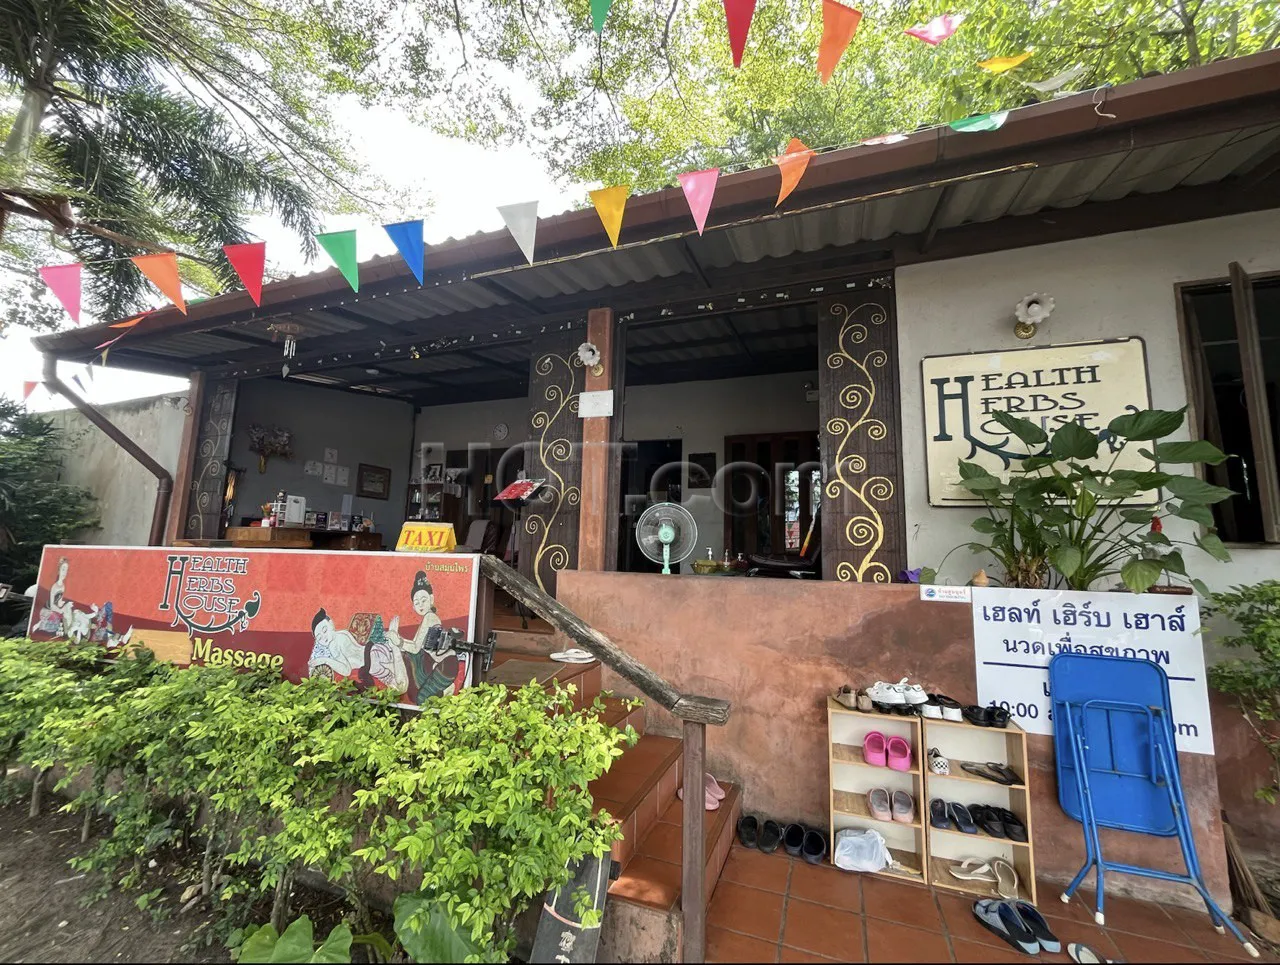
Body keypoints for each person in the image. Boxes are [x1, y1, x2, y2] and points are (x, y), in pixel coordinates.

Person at [385, 571, 461, 701]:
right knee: (413, 694)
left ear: (431, 599)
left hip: (445, 665)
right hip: (436, 663)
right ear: (413, 606)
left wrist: (397, 641)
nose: (420, 605)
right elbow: (416, 648)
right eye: (416, 602)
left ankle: (447, 689)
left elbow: (415, 648)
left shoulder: (430, 618)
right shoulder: (426, 619)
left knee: (421, 699)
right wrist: (396, 641)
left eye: (423, 600)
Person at [306, 608, 367, 681]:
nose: (324, 637)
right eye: (319, 638)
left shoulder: (333, 644)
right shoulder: (342, 633)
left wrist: (324, 660)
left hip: (369, 663)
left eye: (325, 630)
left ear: (331, 623)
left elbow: (346, 671)